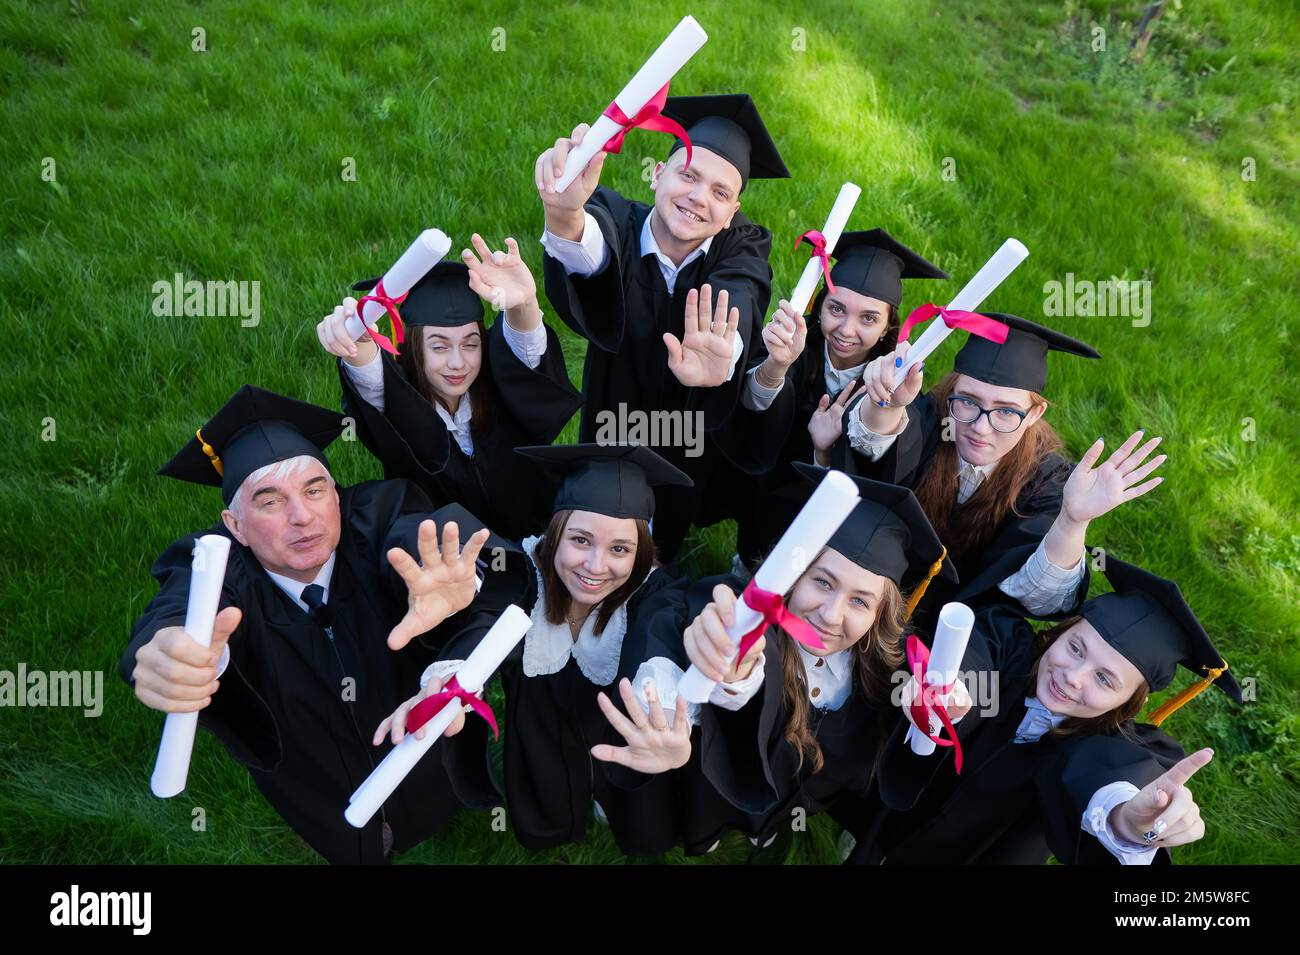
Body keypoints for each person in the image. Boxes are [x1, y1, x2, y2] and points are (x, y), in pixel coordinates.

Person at [122, 386, 525, 864]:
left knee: (431, 804)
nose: (302, 516)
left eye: (315, 490)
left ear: (336, 495)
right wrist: (171, 651)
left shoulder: (378, 515)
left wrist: (464, 577)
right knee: (346, 838)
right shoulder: (215, 566)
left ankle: (427, 816)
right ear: (234, 525)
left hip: (419, 749)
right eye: (270, 501)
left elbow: (418, 535)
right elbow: (177, 611)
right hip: (311, 776)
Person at [598, 467, 957, 858]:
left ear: (880, 615)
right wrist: (707, 687)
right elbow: (692, 631)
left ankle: (761, 826)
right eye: (822, 581)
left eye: (860, 601)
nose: (831, 615)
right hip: (715, 783)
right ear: (793, 575)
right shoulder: (745, 620)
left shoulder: (882, 672)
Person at [378, 444, 691, 854]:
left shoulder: (652, 592)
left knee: (631, 797)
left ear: (641, 551)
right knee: (544, 786)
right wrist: (452, 681)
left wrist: (664, 714)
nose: (596, 567)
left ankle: (609, 804)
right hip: (540, 723)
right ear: (556, 533)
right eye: (581, 540)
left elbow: (660, 635)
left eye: (620, 549)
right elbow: (489, 617)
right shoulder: (524, 574)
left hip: (617, 725)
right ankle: (552, 825)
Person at [851, 556, 1238, 864]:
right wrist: (957, 688)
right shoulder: (1011, 651)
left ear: (1130, 702)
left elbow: (1115, 779)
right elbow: (978, 654)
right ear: (1061, 630)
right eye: (1076, 648)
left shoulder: (1106, 744)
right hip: (905, 805)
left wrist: (1127, 820)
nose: (1073, 678)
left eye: (1105, 680)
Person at [536, 93, 791, 558]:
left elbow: (743, 285)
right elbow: (591, 246)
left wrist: (724, 345)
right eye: (688, 175)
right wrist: (564, 214)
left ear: (733, 212)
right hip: (616, 412)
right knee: (603, 518)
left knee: (667, 532)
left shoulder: (741, 245)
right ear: (657, 174)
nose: (698, 198)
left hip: (688, 428)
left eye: (720, 192)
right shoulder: (615, 217)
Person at [829, 312, 1165, 632]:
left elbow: (1038, 601)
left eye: (1006, 411)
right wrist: (885, 402)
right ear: (952, 391)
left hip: (958, 635)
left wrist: (1073, 521)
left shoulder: (1048, 482)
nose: (980, 427)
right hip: (867, 592)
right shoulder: (933, 418)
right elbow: (873, 447)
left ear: (1035, 413)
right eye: (968, 401)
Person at [316, 237, 582, 540]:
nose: (458, 363)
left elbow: (526, 348)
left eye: (471, 344)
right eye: (439, 346)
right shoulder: (404, 405)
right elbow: (373, 381)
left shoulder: (503, 380)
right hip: (453, 558)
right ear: (414, 349)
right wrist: (356, 342)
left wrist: (524, 303)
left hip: (539, 538)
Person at [733, 228, 949, 570]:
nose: (847, 330)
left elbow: (885, 479)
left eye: (868, 318)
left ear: (887, 327)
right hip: (764, 498)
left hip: (837, 532)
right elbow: (746, 414)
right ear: (819, 308)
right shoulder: (791, 342)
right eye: (837, 309)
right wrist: (777, 366)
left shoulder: (892, 382)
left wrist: (825, 451)